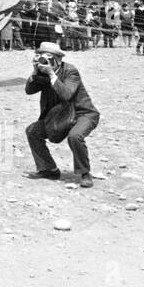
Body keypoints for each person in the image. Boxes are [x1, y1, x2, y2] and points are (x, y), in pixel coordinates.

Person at [23, 41, 100, 188]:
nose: (44, 61)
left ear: (58, 59)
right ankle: (49, 169)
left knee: (75, 136)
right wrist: (35, 72)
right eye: (40, 57)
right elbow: (29, 90)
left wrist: (52, 75)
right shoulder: (42, 72)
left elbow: (67, 95)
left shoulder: (71, 71)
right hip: (60, 116)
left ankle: (85, 173)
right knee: (32, 131)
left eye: (48, 58)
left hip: (82, 113)